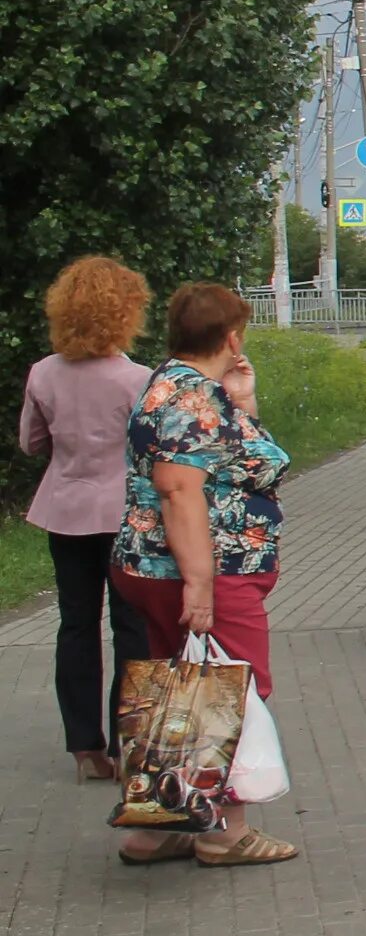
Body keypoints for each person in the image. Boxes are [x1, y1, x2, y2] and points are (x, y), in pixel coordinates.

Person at [108, 283, 297, 866]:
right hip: (203, 568)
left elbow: (217, 458)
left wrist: (242, 399)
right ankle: (225, 832)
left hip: (154, 563)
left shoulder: (178, 385)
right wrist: (200, 583)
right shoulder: (191, 399)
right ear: (231, 336)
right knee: (230, 690)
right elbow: (179, 489)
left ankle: (162, 823)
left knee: (176, 690)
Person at [18, 257, 156, 780]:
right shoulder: (137, 379)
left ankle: (84, 748)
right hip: (125, 516)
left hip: (65, 510)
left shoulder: (43, 373)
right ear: (124, 313)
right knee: (131, 626)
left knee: (75, 625)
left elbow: (31, 443)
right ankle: (130, 744)